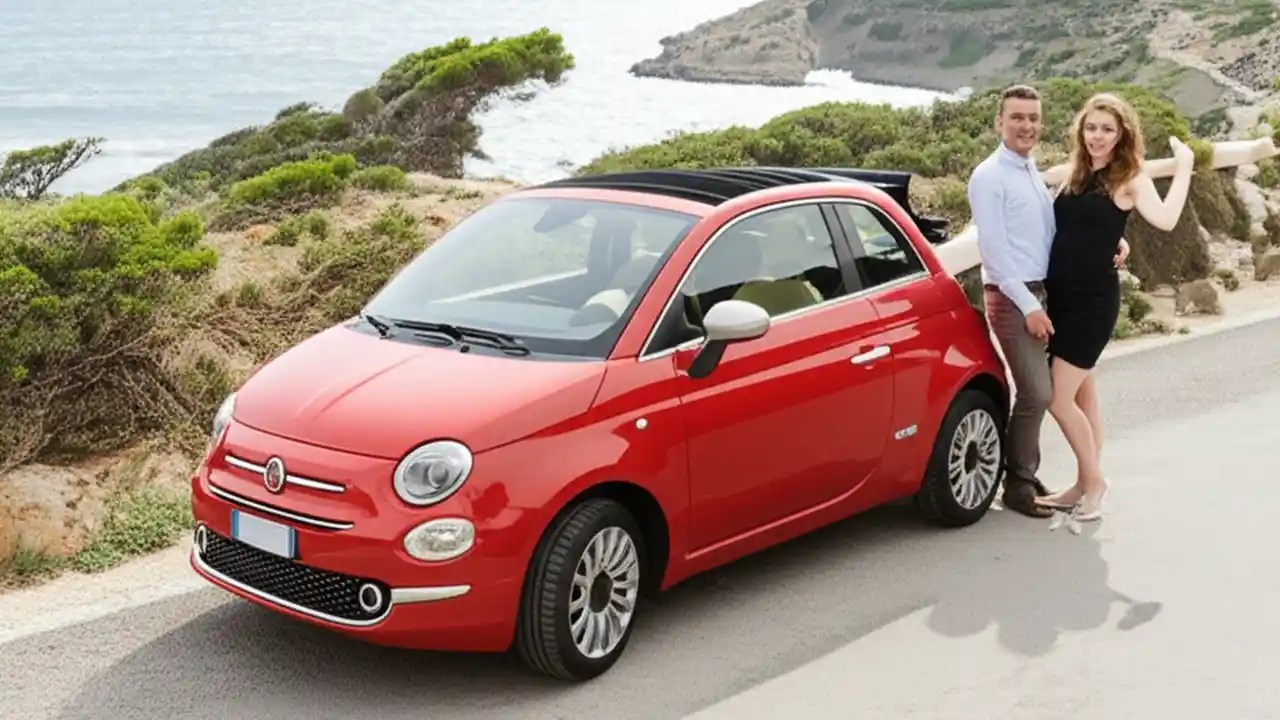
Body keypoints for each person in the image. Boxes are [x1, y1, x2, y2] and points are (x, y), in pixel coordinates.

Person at [966, 85, 1132, 519]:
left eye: (1034, 118)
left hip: (1053, 294)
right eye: (1017, 117)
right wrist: (1030, 306)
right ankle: (1019, 483)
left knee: (1080, 391)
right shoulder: (989, 177)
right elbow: (996, 254)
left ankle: (1085, 479)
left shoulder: (1029, 170)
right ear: (999, 122)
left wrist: (1115, 243)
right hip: (1014, 296)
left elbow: (1061, 231)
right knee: (1040, 393)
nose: (1027, 126)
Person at [1033, 92, 1194, 521]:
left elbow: (1166, 219)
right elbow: (1078, 222)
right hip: (1060, 299)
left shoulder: (1131, 178)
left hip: (1093, 302)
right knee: (1083, 394)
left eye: (1107, 129)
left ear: (1122, 134)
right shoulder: (1075, 174)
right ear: (1081, 131)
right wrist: (1115, 239)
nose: (1097, 136)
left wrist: (1186, 167)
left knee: (1057, 396)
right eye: (1091, 128)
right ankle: (1082, 483)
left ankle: (1095, 483)